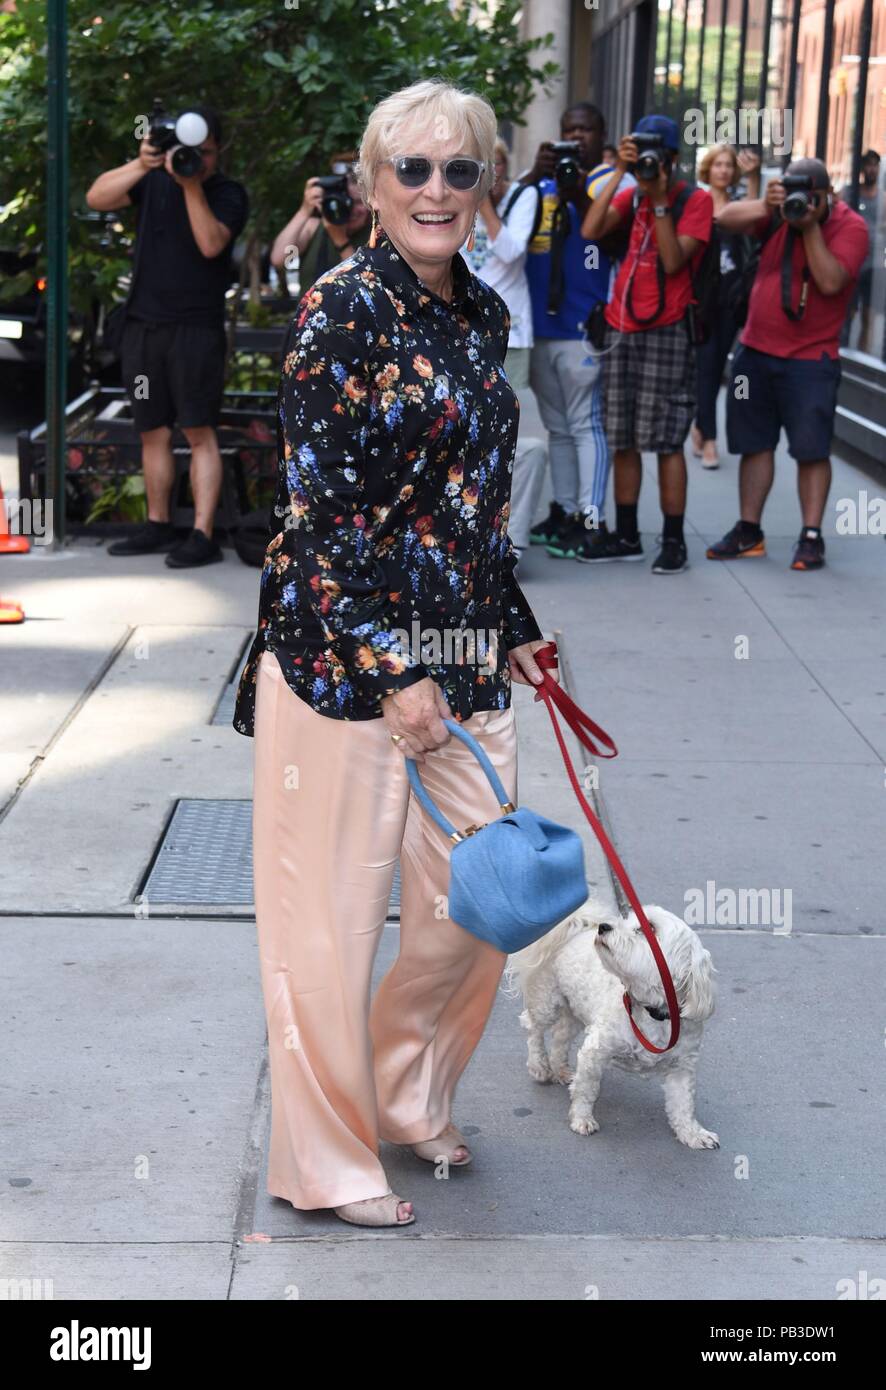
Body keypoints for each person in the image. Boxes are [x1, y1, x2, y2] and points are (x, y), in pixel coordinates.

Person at [232, 79, 555, 1229]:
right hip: (339, 664)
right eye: (409, 169)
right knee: (323, 927)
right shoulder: (341, 311)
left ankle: (410, 1094)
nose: (433, 190)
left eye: (457, 170)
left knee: (474, 911)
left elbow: (464, 503)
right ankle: (321, 1160)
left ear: (485, 187)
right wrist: (389, 665)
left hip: (465, 652)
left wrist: (511, 624)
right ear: (370, 186)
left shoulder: (480, 313)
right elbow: (322, 513)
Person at [86, 106, 249, 566]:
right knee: (151, 431)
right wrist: (143, 163)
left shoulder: (227, 193)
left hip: (196, 330)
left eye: (207, 153)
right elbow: (96, 198)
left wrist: (191, 182)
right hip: (143, 325)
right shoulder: (151, 180)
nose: (198, 158)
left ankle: (202, 534)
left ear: (217, 152)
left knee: (199, 430)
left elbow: (211, 244)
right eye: (190, 152)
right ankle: (157, 525)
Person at [706, 157, 869, 571]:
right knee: (754, 443)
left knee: (811, 449)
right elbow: (723, 216)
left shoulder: (851, 226)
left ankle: (811, 536)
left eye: (808, 195)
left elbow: (831, 281)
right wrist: (768, 204)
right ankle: (749, 530)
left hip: (812, 359)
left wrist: (809, 225)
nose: (800, 202)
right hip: (756, 352)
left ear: (827, 195)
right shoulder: (774, 215)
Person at [581, 114, 714, 573]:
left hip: (667, 330)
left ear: (674, 160)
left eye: (655, 156)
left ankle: (673, 541)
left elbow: (675, 261)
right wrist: (619, 170)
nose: (650, 164)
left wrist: (658, 201)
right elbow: (590, 231)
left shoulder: (694, 200)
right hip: (621, 329)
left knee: (667, 441)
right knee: (623, 439)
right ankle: (626, 535)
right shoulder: (631, 190)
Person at [522, 103, 632, 561]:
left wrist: (574, 192)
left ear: (601, 134)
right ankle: (566, 512)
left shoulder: (611, 183)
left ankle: (593, 518)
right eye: (569, 129)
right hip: (539, 325)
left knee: (587, 425)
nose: (577, 136)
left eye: (586, 129)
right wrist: (534, 175)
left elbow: (609, 238)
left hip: (583, 324)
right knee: (558, 428)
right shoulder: (543, 184)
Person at [462, 137, 545, 558]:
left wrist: (485, 205)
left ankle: (505, 534)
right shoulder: (453, 200)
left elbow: (511, 252)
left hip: (510, 336)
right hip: (463, 333)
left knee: (504, 435)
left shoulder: (522, 197)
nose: (483, 176)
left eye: (491, 167)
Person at [690, 144, 761, 469]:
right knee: (707, 367)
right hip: (703, 298)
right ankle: (710, 439)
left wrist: (754, 179)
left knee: (717, 366)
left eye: (727, 165)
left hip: (732, 298)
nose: (722, 170)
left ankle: (701, 427)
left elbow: (756, 219)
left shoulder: (736, 205)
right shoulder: (697, 202)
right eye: (717, 164)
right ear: (708, 168)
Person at [270, 154, 371, 287]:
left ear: (371, 203)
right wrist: (304, 211)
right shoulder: (313, 228)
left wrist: (340, 240)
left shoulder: (377, 236)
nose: (350, 208)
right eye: (345, 200)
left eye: (358, 202)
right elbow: (280, 260)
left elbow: (367, 286)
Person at [838, 150, 880, 355]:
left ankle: (863, 359)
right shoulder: (850, 191)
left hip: (875, 264)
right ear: (862, 168)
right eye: (868, 164)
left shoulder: (883, 197)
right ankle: (843, 353)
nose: (871, 169)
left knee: (868, 317)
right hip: (853, 262)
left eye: (875, 165)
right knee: (848, 312)